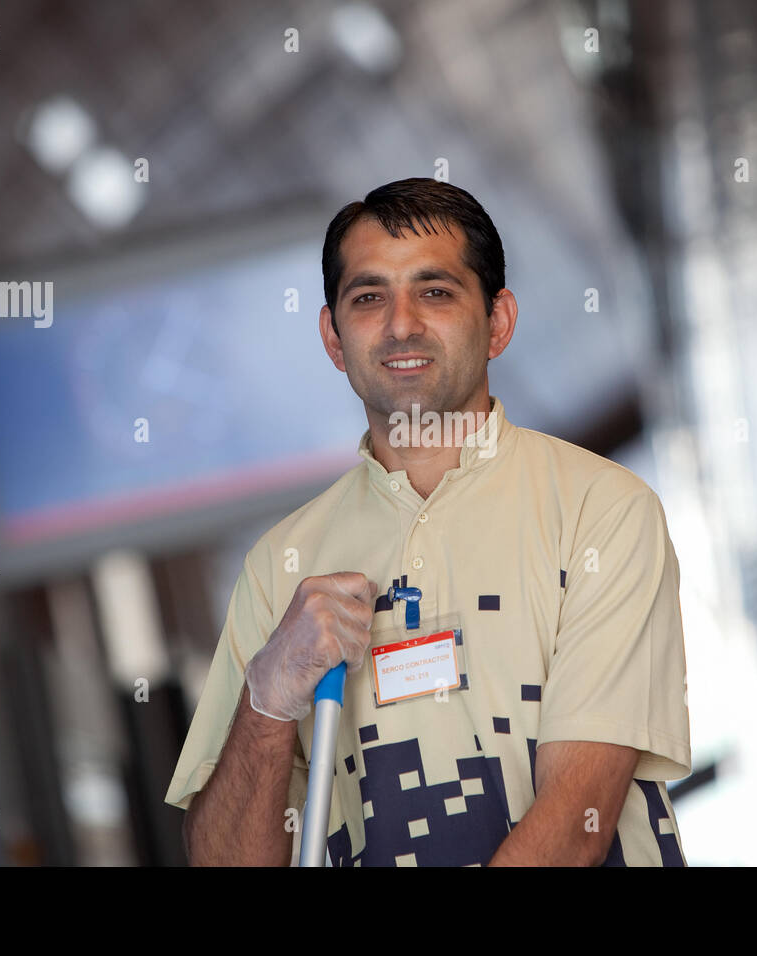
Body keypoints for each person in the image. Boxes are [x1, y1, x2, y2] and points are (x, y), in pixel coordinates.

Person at [166, 177, 691, 866]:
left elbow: (576, 825)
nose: (401, 323)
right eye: (368, 297)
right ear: (333, 335)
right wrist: (268, 704)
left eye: (435, 291)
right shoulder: (281, 566)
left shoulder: (600, 512)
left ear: (498, 322)